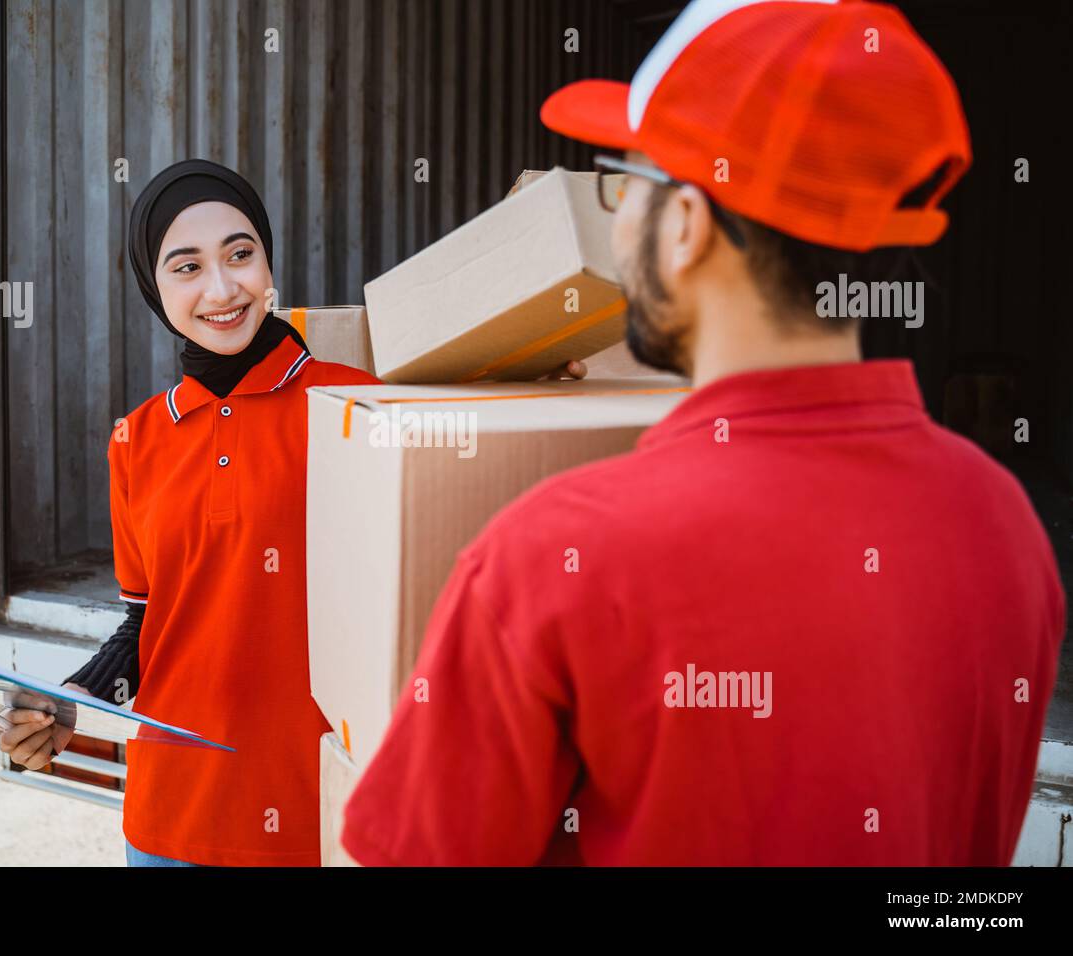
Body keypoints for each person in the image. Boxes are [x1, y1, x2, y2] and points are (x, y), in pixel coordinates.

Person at [339, 0, 1065, 865]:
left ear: (684, 226)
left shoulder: (555, 557)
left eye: (623, 182)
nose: (618, 221)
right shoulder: (1003, 523)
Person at [0, 159, 384, 866]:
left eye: (241, 254)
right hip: (166, 823)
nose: (223, 288)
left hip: (317, 821)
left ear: (268, 262)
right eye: (187, 267)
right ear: (154, 287)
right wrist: (77, 698)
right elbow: (149, 623)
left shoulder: (357, 403)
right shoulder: (136, 438)